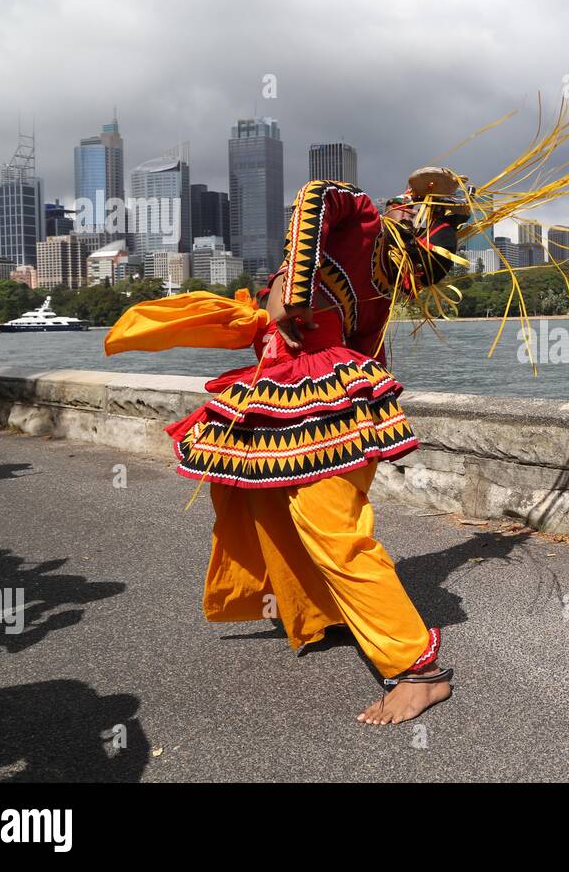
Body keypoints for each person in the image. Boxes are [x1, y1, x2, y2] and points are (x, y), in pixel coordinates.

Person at [161, 173, 467, 726]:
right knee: (276, 507)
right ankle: (323, 610)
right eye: (404, 204)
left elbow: (316, 194)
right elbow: (322, 200)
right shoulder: (376, 241)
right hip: (296, 395)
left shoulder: (377, 237)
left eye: (413, 211)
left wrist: (291, 297)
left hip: (323, 398)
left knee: (333, 529)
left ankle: (418, 671)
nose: (400, 211)